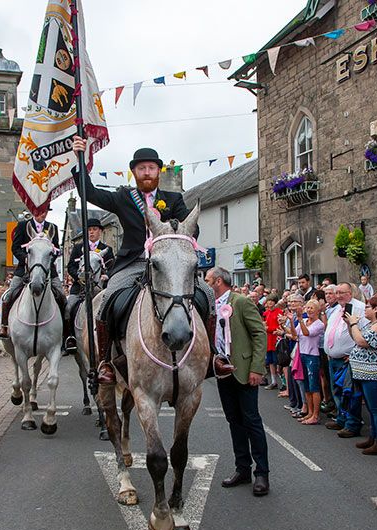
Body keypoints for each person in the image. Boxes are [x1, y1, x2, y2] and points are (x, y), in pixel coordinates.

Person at [70, 135, 234, 384]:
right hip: (133, 263)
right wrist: (80, 161)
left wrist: (175, 234)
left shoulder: (174, 199)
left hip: (168, 264)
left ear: (158, 171)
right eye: (141, 168)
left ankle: (213, 354)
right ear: (134, 172)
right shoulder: (123, 197)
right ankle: (105, 361)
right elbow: (89, 192)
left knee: (207, 294)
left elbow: (192, 229)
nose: (146, 172)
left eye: (151, 168)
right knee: (108, 298)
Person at [205, 267, 269, 497]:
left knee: (251, 420)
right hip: (222, 371)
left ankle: (262, 473)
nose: (204, 284)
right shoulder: (209, 307)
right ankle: (242, 468)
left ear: (218, 281)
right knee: (234, 421)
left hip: (243, 369)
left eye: (207, 280)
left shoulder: (240, 302)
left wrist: (256, 368)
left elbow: (259, 334)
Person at [0, 211, 73, 351]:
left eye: (45, 211)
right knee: (9, 295)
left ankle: (67, 334)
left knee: (62, 297)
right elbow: (15, 248)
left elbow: (56, 249)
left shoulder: (52, 228)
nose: (42, 214)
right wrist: (26, 259)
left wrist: (48, 258)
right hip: (25, 268)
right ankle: (4, 326)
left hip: (47, 270)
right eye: (40, 211)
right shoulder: (23, 226)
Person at [347, 295, 377, 455]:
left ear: (376, 309)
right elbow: (356, 337)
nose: (364, 310)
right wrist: (350, 325)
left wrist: (354, 323)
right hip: (364, 374)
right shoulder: (371, 324)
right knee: (372, 409)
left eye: (367, 307)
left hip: (374, 374)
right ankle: (373, 437)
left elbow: (362, 341)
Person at [65, 218, 115, 355]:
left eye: (94, 229)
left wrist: (106, 275)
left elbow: (112, 267)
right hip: (80, 288)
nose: (91, 232)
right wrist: (78, 277)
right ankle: (69, 338)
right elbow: (71, 266)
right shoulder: (77, 248)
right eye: (89, 230)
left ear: (100, 231)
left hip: (100, 288)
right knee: (69, 307)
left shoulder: (107, 249)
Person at [323, 282, 366, 437]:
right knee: (337, 390)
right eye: (337, 293)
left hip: (348, 359)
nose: (339, 295)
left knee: (349, 392)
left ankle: (352, 423)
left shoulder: (359, 308)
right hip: (333, 358)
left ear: (351, 293)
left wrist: (354, 352)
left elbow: (364, 332)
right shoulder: (337, 309)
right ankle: (341, 419)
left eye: (342, 292)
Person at [285, 299, 324, 425]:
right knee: (306, 386)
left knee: (314, 386)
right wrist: (292, 321)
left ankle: (316, 415)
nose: (309, 310)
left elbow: (307, 333)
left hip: (312, 356)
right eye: (308, 307)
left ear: (317, 310)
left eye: (312, 308)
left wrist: (300, 319)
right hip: (302, 355)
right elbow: (294, 334)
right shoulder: (305, 321)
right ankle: (310, 413)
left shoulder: (319, 324)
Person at [262, 297, 284, 390]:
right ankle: (273, 381)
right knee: (270, 362)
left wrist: (269, 328)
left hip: (276, 340)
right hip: (268, 340)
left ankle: (284, 382)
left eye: (272, 301)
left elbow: (281, 326)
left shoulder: (279, 312)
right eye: (268, 301)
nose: (270, 303)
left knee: (279, 362)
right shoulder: (266, 313)